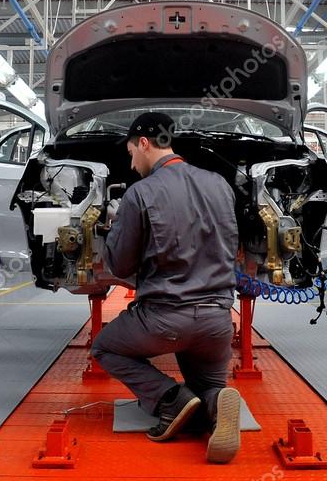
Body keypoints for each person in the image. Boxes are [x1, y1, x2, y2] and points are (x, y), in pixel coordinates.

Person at [90, 112, 243, 464]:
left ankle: (171, 399)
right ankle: (215, 402)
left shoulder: (140, 193)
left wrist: (113, 231)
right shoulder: (219, 184)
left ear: (144, 143)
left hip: (165, 320)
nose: (131, 164)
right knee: (208, 385)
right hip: (217, 321)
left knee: (104, 347)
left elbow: (121, 266)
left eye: (131, 153)